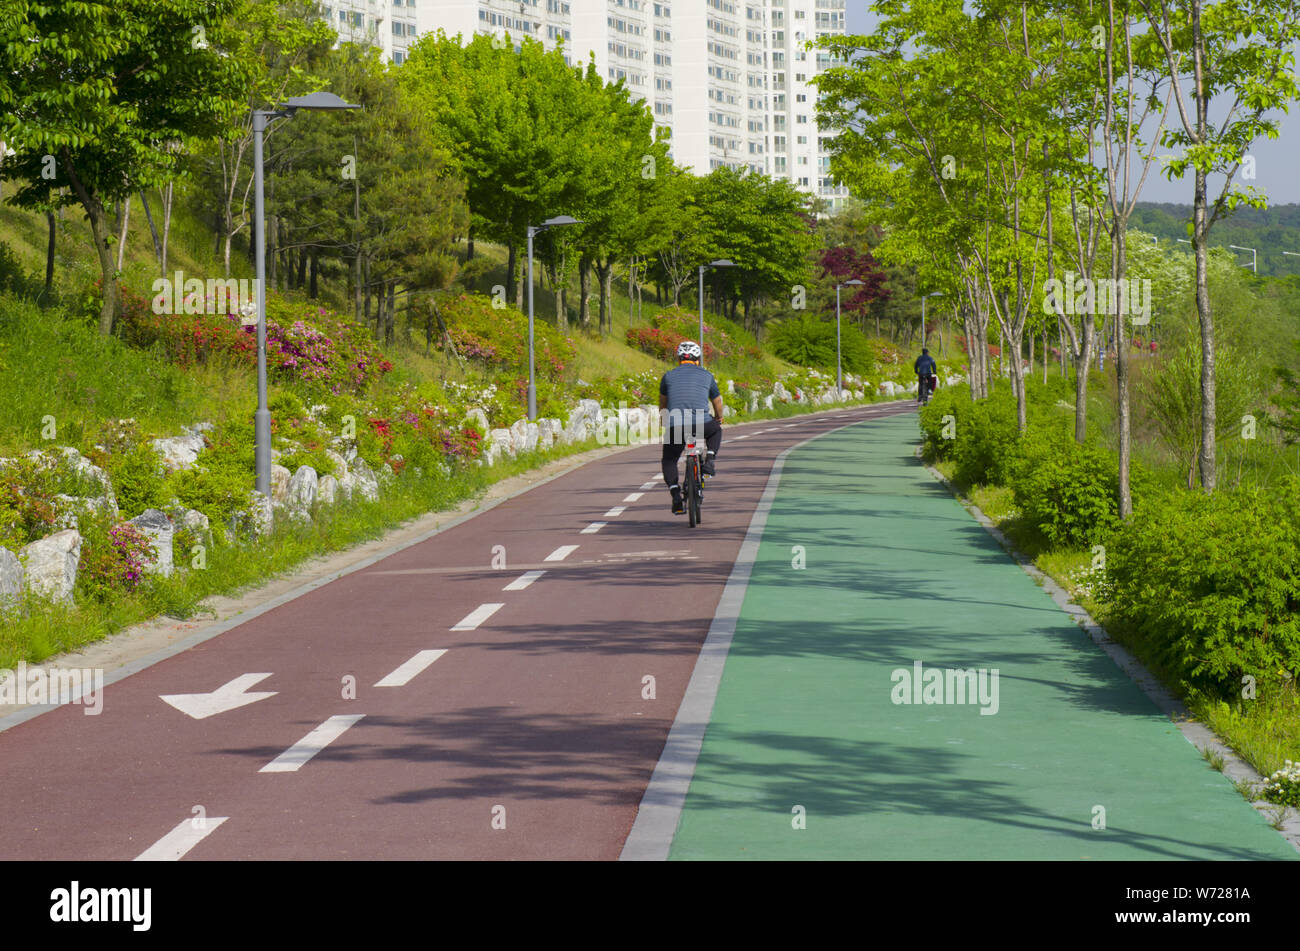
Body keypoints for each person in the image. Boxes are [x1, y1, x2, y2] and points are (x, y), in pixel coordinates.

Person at [659, 340, 724, 515]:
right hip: (702, 423)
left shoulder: (668, 376)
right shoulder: (707, 375)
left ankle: (675, 495)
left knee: (669, 460)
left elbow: (663, 404)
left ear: (679, 358)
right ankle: (710, 461)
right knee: (716, 429)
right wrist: (719, 417)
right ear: (698, 359)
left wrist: (665, 422)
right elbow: (717, 401)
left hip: (677, 425)